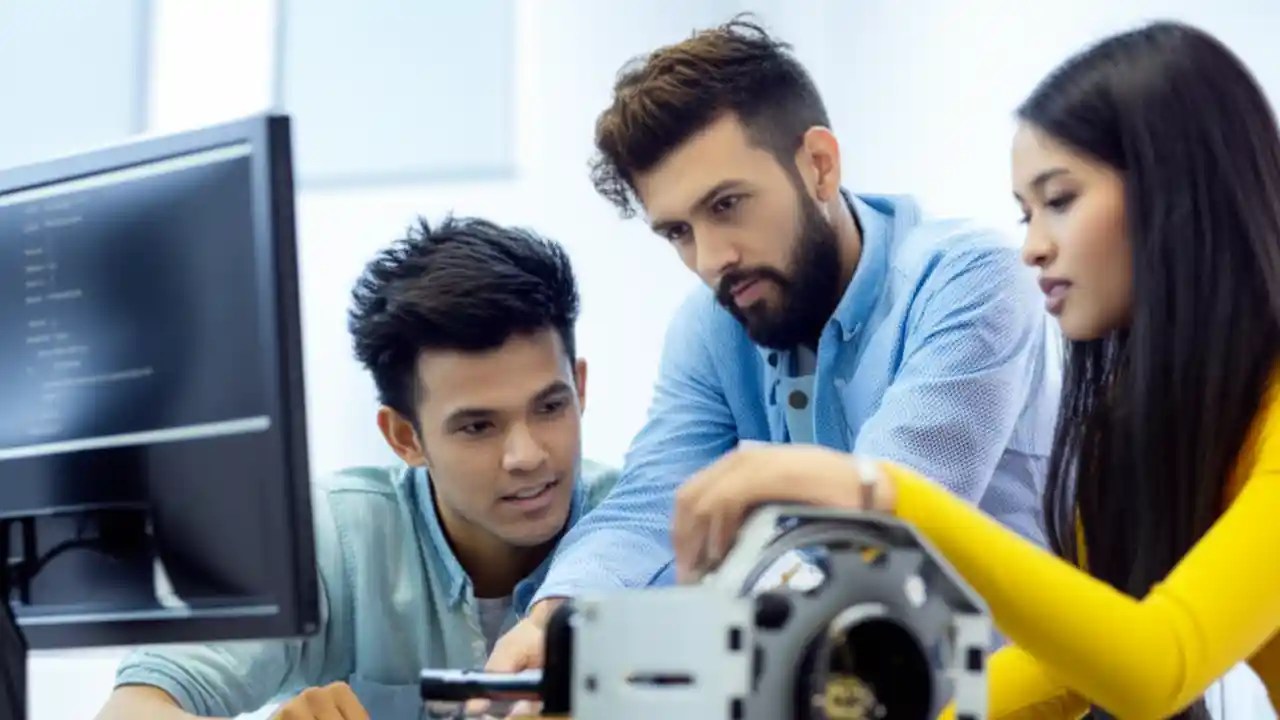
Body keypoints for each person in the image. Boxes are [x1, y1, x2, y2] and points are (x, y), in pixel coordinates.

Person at [672, 20, 1280, 720]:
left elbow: (1155, 664)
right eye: (1024, 213)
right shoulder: (1141, 420)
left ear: (1177, 190)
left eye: (1060, 200)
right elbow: (1074, 665)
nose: (1033, 249)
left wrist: (878, 491)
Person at [488, 16, 1060, 671]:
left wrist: (622, 655)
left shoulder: (969, 279)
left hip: (1012, 696)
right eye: (677, 232)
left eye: (728, 205)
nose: (710, 260)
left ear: (819, 165)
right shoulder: (712, 323)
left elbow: (880, 530)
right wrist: (555, 624)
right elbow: (652, 501)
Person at [94, 216, 618, 719]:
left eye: (550, 406)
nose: (526, 456)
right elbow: (130, 708)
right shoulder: (328, 540)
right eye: (478, 427)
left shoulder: (640, 534)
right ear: (405, 437)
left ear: (581, 387)